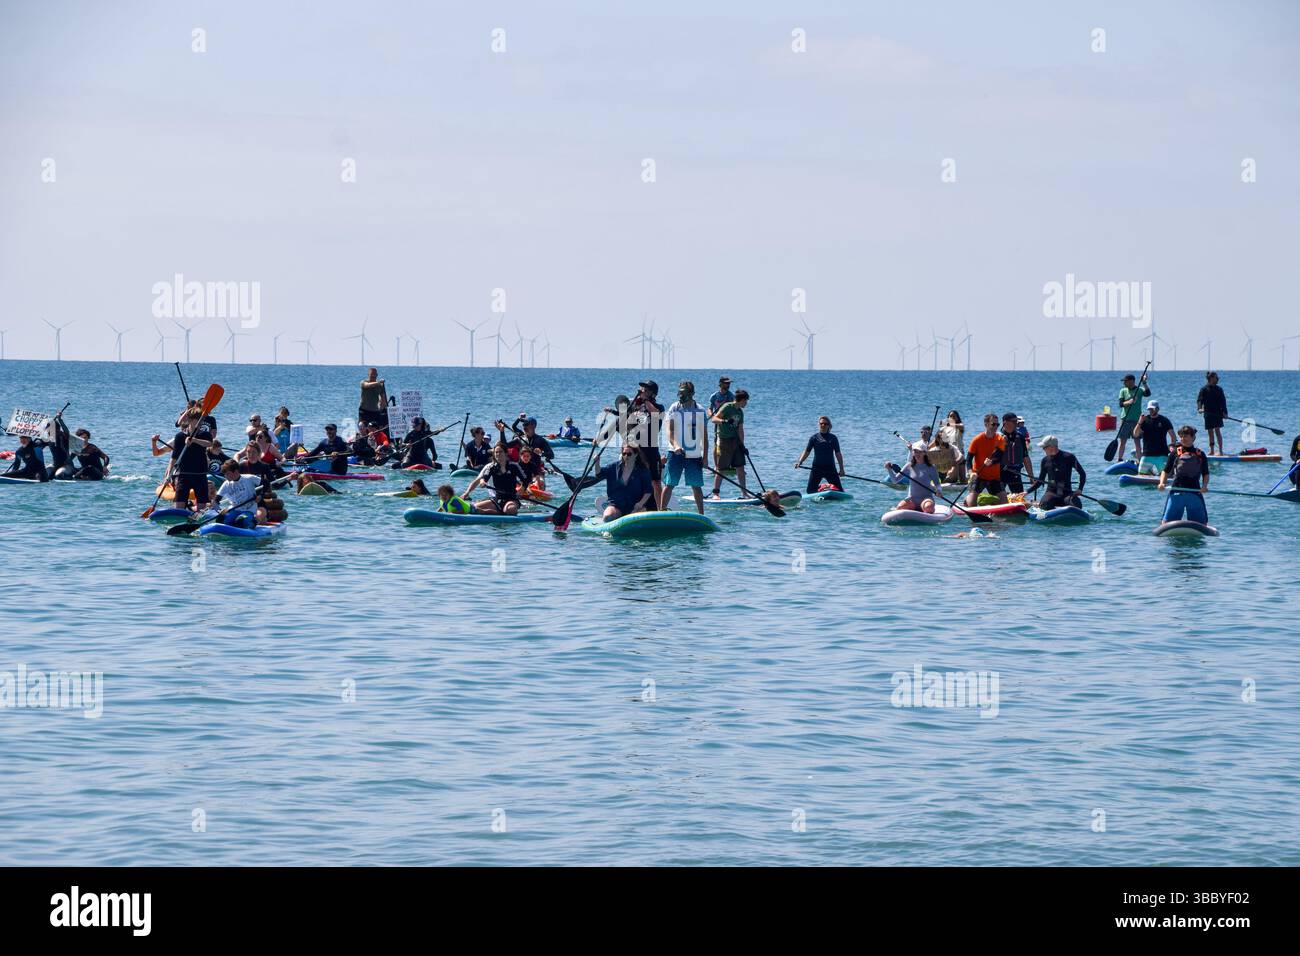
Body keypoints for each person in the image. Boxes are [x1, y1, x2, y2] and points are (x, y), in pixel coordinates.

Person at [662, 380, 709, 513]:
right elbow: (669, 431)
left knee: (696, 485)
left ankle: (701, 515)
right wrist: (676, 445)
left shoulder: (700, 410)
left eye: (685, 393)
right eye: (680, 393)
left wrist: (705, 458)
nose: (681, 396)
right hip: (675, 453)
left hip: (694, 454)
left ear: (692, 394)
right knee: (669, 484)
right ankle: (661, 511)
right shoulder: (674, 408)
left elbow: (704, 437)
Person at [160, 407, 214, 511]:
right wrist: (168, 475)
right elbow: (174, 457)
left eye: (201, 420)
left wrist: (194, 440)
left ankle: (197, 520)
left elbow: (209, 443)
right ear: (189, 420)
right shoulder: (180, 436)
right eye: (197, 420)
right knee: (179, 507)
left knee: (201, 507)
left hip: (200, 474)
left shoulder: (205, 434)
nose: (200, 422)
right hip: (183, 474)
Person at [1157, 425, 1211, 524]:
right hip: (1177, 492)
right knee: (1165, 523)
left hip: (1194, 492)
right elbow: (1166, 471)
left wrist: (1204, 486)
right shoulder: (1175, 453)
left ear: (1193, 438)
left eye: (1185, 436)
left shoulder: (1200, 454)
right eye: (1181, 437)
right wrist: (1161, 483)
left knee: (1202, 523)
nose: (1183, 439)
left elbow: (1206, 474)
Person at [624, 381, 665, 509]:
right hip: (635, 448)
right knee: (631, 478)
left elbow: (656, 414)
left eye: (645, 389)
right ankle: (629, 506)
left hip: (651, 448)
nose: (641, 390)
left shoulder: (659, 406)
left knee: (656, 481)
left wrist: (646, 400)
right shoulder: (635, 407)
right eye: (641, 388)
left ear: (653, 393)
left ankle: (660, 509)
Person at [465, 443, 529, 516]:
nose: (498, 454)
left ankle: (488, 512)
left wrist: (520, 491)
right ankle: (494, 512)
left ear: (506, 453)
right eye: (496, 452)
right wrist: (482, 482)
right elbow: (484, 478)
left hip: (512, 499)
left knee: (510, 510)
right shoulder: (492, 467)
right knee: (474, 507)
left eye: (500, 452)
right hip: (497, 499)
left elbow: (526, 480)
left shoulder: (514, 466)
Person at [709, 388, 749, 498]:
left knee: (740, 468)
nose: (746, 403)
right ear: (741, 400)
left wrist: (742, 445)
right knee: (721, 469)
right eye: (745, 401)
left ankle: (744, 493)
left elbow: (740, 429)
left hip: (736, 441)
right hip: (724, 440)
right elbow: (714, 419)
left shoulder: (740, 412)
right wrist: (724, 421)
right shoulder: (727, 406)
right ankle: (715, 493)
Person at [1029, 436, 1086, 509]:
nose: (1043, 450)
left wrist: (1080, 489)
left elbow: (1082, 473)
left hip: (1067, 494)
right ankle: (1038, 504)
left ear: (1051, 447)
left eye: (1044, 448)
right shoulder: (1045, 461)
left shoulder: (1069, 457)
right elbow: (1040, 480)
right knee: (1045, 504)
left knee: (1077, 506)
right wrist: (1027, 492)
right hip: (1051, 493)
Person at [964, 413, 1006, 506]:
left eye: (997, 425)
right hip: (979, 476)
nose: (995, 427)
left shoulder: (1000, 439)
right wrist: (971, 473)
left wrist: (992, 462)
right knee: (971, 505)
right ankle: (968, 498)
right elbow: (968, 460)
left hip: (994, 477)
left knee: (1004, 503)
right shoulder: (977, 440)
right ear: (986, 424)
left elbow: (1000, 458)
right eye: (993, 424)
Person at [795, 416, 845, 493]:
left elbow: (838, 454)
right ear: (819, 424)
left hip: (830, 469)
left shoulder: (833, 438)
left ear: (829, 425)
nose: (823, 425)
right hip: (816, 469)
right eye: (821, 423)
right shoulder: (814, 438)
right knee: (810, 491)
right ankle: (821, 489)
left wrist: (841, 469)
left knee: (840, 491)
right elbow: (807, 451)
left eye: (825, 424)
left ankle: (825, 489)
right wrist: (800, 462)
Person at [885, 441, 940, 513]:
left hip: (926, 499)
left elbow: (937, 484)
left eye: (919, 451)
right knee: (900, 507)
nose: (917, 454)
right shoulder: (909, 466)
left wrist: (939, 491)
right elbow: (895, 480)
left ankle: (928, 509)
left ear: (925, 453)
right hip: (912, 500)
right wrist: (889, 469)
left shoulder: (931, 467)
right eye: (915, 451)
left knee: (928, 508)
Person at [215, 459, 266, 528]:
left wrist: (260, 495)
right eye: (225, 474)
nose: (225, 476)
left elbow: (266, 483)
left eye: (227, 474)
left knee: (240, 520)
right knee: (220, 519)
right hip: (234, 509)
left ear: (236, 472)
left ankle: (254, 521)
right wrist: (220, 511)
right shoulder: (226, 483)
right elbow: (216, 500)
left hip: (249, 510)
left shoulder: (249, 478)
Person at [1132, 400, 1176, 475]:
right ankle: (1150, 474)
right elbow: (1135, 434)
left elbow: (1173, 436)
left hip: (1162, 454)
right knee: (1141, 475)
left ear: (1157, 409)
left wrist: (1172, 446)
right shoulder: (1145, 420)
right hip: (1147, 454)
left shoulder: (1164, 420)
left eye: (1152, 409)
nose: (1151, 410)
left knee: (1166, 475)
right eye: (1149, 409)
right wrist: (1140, 422)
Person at [1116, 371, 1152, 463]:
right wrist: (1129, 402)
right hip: (1125, 420)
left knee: (1137, 442)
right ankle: (1119, 459)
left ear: (1131, 381)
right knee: (1122, 441)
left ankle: (1140, 461)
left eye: (1125, 381)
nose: (1124, 383)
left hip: (1137, 421)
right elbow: (1121, 404)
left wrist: (1144, 382)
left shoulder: (1139, 390)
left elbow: (1148, 394)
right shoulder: (1123, 391)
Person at [999, 412, 1032, 494]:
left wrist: (1031, 477)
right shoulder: (997, 437)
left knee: (1019, 497)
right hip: (999, 473)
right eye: (1013, 421)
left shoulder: (1020, 437)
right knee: (997, 499)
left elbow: (1025, 457)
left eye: (1016, 422)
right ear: (1005, 423)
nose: (1016, 424)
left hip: (1015, 472)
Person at [1196, 371, 1228, 456]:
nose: (1218, 379)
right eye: (1216, 377)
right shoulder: (1204, 389)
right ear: (1211, 378)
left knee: (1217, 431)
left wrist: (1225, 413)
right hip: (1208, 413)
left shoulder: (1219, 389)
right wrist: (1199, 408)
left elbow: (1223, 401)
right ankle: (1212, 450)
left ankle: (1221, 451)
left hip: (1218, 413)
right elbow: (1199, 400)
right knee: (1210, 432)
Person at [940, 410, 966, 482]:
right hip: (950, 454)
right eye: (950, 416)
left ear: (957, 418)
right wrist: (928, 447)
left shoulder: (960, 426)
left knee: (963, 479)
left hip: (960, 453)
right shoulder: (944, 429)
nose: (952, 417)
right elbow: (937, 440)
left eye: (954, 416)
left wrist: (949, 424)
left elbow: (961, 426)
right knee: (952, 478)